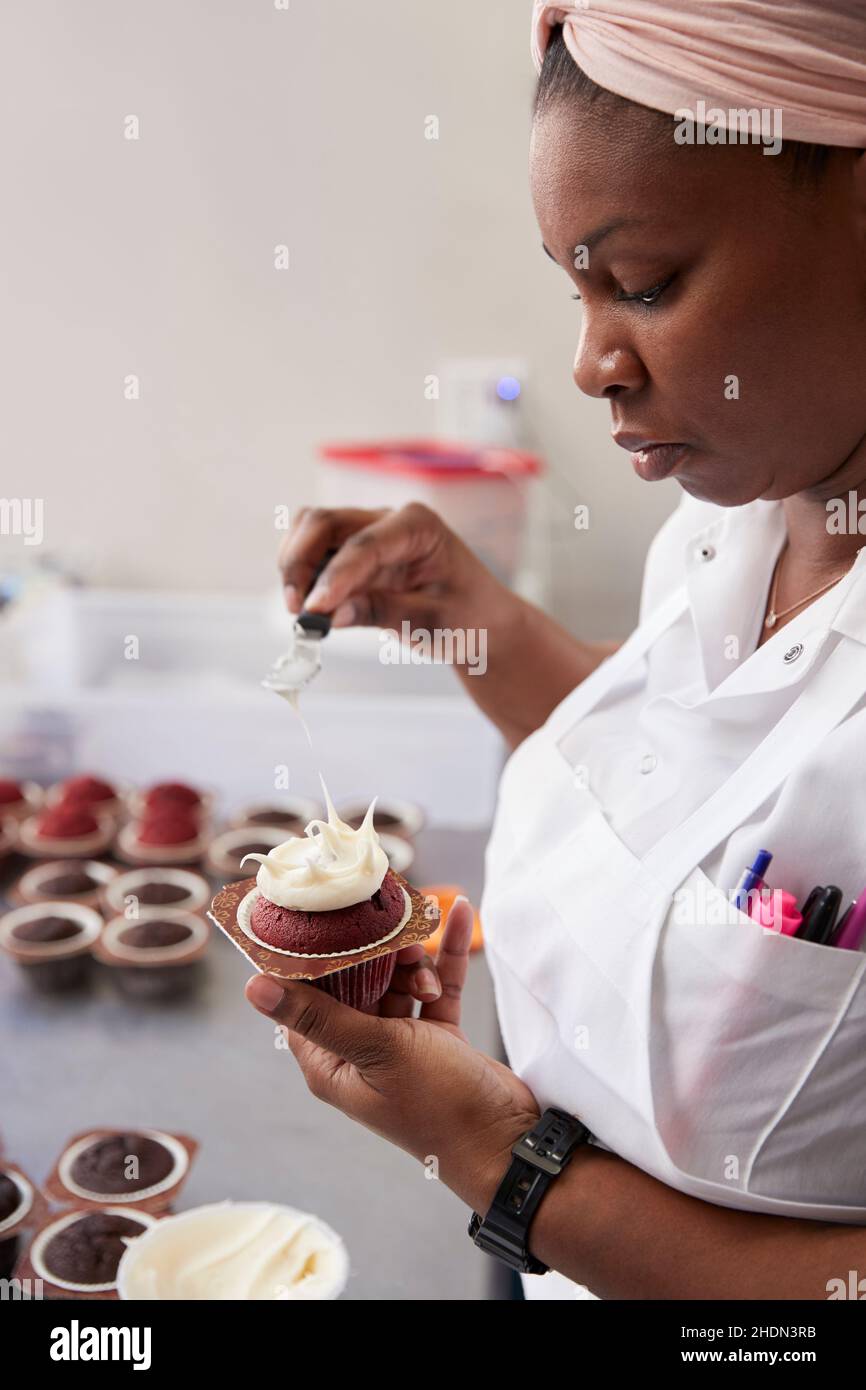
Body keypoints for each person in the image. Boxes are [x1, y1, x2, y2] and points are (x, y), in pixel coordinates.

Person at [245, 1, 866, 1299]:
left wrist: (492, 1157)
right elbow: (695, 798)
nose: (588, 362)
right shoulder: (741, 518)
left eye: (640, 284)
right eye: (572, 285)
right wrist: (464, 610)